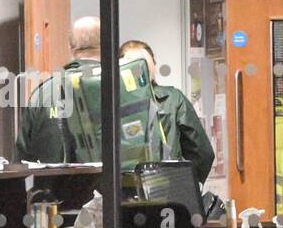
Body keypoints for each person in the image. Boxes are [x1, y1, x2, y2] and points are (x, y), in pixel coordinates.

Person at [119, 39, 216, 184]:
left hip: (122, 192)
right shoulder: (173, 99)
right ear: (154, 66)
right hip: (167, 190)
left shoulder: (108, 103)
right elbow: (202, 153)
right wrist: (184, 185)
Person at [16, 15, 101, 163]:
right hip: (109, 184)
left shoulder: (42, 93)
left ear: (71, 48)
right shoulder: (118, 87)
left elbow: (22, 157)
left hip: (52, 185)